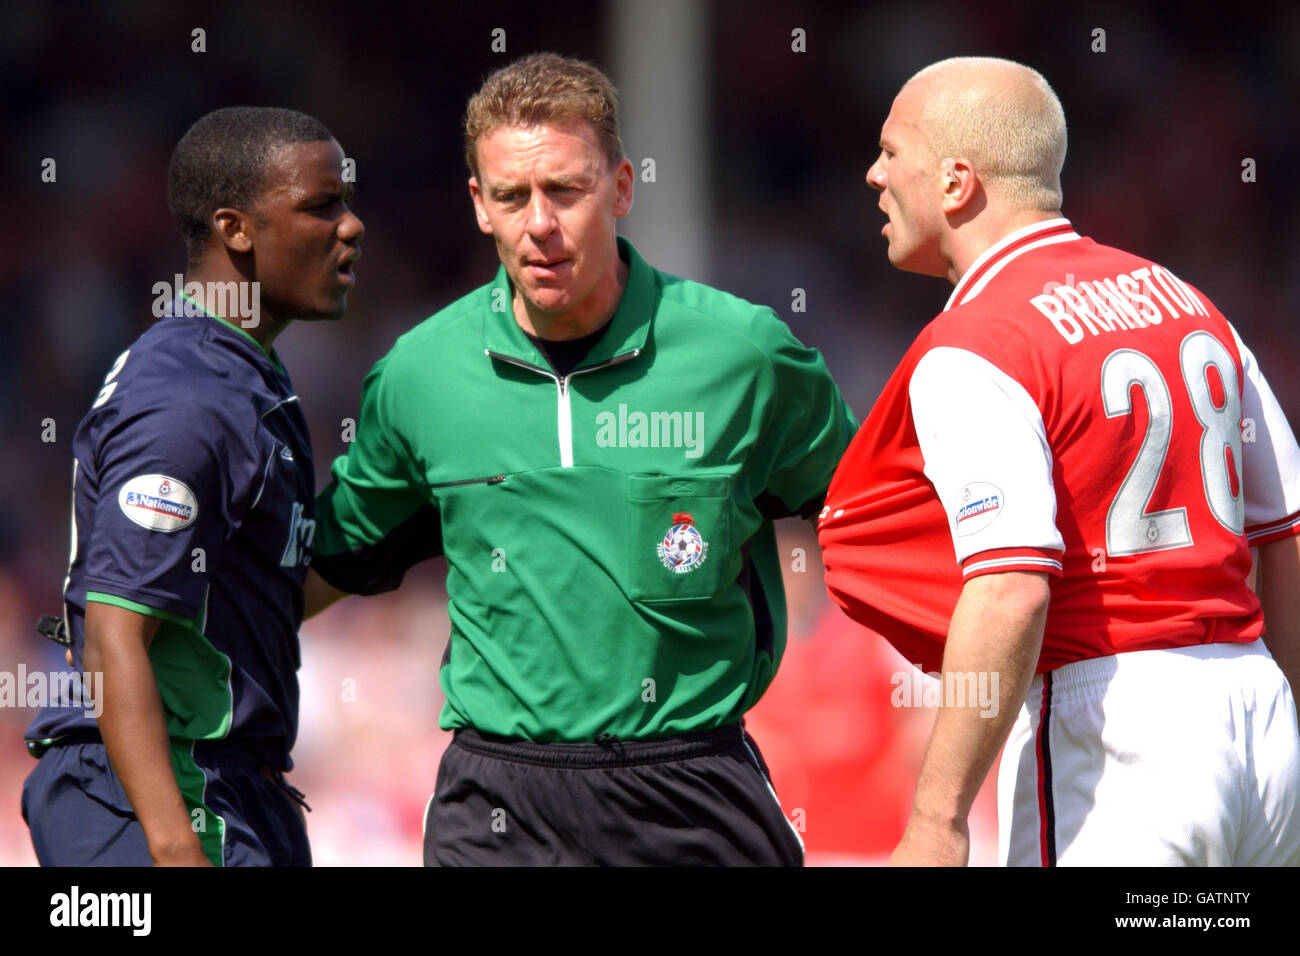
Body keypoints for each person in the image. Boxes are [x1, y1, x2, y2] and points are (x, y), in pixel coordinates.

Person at [304, 52, 856, 866]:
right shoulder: (420, 375)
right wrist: (155, 634)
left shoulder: (746, 357)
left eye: (566, 189)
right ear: (479, 206)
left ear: (622, 188)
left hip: (691, 790)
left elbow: (873, 515)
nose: (540, 223)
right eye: (511, 196)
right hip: (496, 804)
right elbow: (328, 562)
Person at [818, 56, 1300, 866]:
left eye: (891, 152)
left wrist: (936, 822)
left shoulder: (978, 340)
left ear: (955, 183)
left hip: (1116, 728)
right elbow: (1284, 532)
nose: (873, 175)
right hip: (1258, 717)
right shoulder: (1186, 299)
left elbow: (1009, 587)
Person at [22, 106, 365, 866]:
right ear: (236, 230)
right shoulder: (190, 397)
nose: (352, 226)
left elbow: (260, 596)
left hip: (228, 788)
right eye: (321, 205)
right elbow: (114, 633)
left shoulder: (242, 375)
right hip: (164, 793)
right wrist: (175, 847)